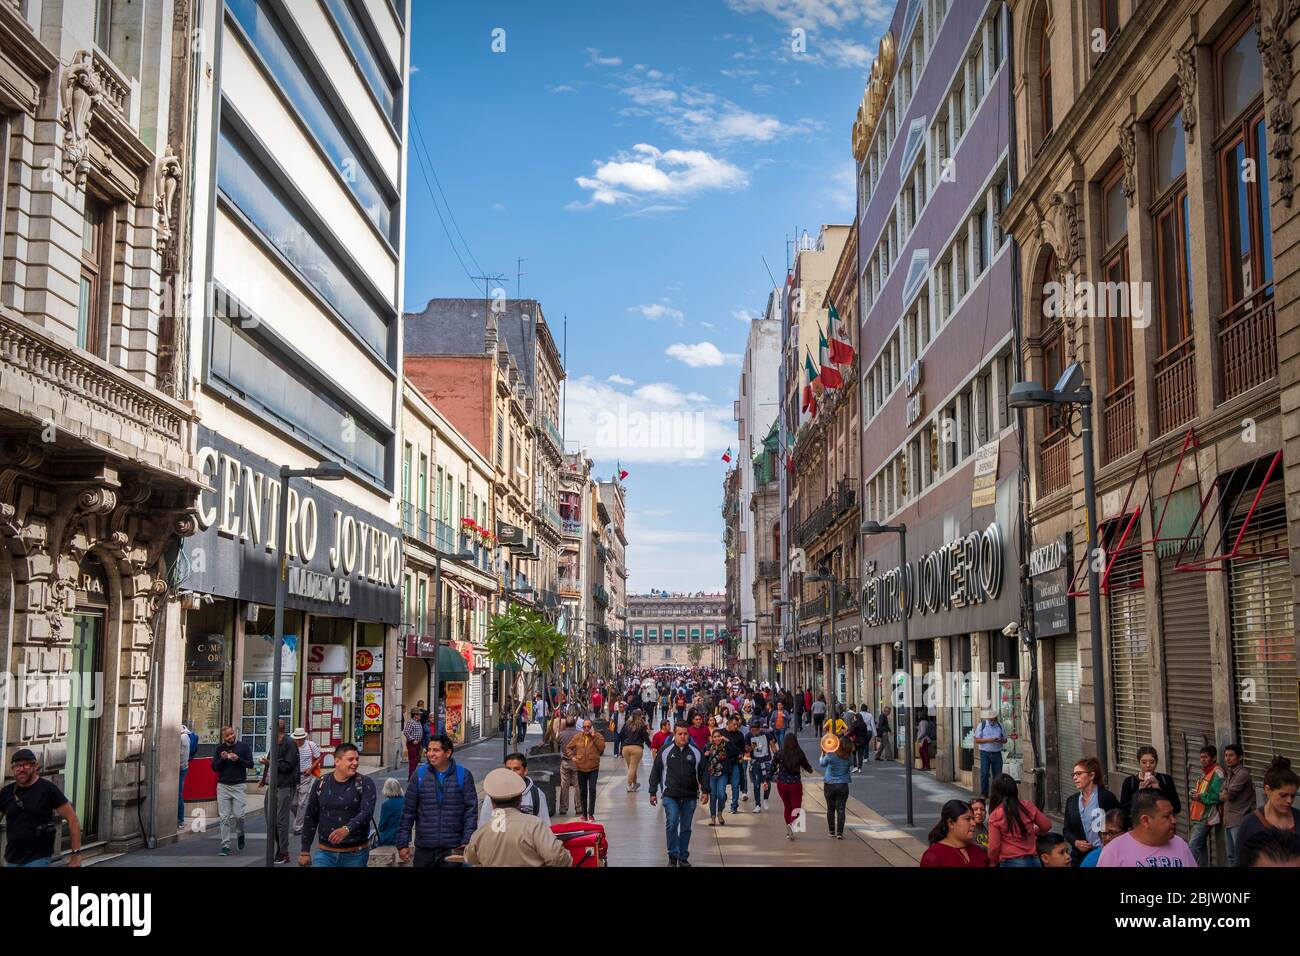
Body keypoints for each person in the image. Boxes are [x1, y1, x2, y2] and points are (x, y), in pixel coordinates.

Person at [397, 734, 478, 867]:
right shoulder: (419, 775)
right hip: (425, 848)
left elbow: (471, 811)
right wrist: (402, 843)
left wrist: (467, 839)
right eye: (429, 750)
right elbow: (408, 812)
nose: (430, 754)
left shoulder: (463, 775)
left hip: (452, 847)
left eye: (436, 750)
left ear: (448, 753)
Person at [465, 769, 572, 867]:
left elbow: (471, 858)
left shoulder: (481, 832)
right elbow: (558, 857)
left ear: (492, 803)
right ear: (520, 800)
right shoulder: (534, 825)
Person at [298, 742, 377, 867]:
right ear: (337, 761)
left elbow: (366, 813)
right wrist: (305, 851)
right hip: (325, 853)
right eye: (350, 759)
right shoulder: (320, 783)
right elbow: (311, 817)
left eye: (357, 759)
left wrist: (347, 829)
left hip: (355, 854)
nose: (355, 763)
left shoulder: (365, 783)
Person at [0, 748, 82, 867]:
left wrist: (76, 854)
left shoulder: (48, 789)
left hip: (38, 858)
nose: (21, 769)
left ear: (35, 766)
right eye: (17, 766)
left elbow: (72, 819)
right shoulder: (6, 792)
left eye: (26, 764)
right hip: (12, 858)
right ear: (12, 769)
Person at [649, 721, 709, 867]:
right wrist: (652, 791)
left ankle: (683, 856)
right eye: (679, 734)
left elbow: (703, 772)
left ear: (689, 735)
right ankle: (673, 855)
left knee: (686, 827)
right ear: (674, 735)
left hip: (690, 796)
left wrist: (706, 791)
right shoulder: (665, 751)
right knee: (672, 823)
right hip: (670, 795)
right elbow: (656, 771)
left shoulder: (695, 752)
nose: (683, 737)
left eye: (685, 734)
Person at [1098, 790, 1197, 867]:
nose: (1174, 821)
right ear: (1146, 821)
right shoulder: (1113, 852)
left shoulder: (1180, 845)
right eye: (1167, 816)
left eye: (1173, 815)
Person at [986, 773, 1051, 866]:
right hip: (1034, 860)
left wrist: (993, 861)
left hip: (1011, 861)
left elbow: (993, 847)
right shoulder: (1027, 806)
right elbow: (1047, 825)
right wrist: (1034, 831)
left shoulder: (996, 815)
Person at [1063, 756, 1119, 865]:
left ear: (1091, 775)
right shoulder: (1072, 801)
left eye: (1079, 774)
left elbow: (1120, 823)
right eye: (1073, 775)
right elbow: (1066, 830)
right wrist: (1076, 842)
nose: (1075, 778)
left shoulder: (1105, 797)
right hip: (1080, 857)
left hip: (1105, 854)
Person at [1234, 755, 1299, 847]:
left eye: (1292, 796)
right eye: (1283, 795)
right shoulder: (1249, 824)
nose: (1289, 800)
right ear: (1268, 790)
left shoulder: (1298, 818)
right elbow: (1241, 860)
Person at [257, 719, 297, 864]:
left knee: (281, 820)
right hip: (272, 785)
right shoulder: (274, 743)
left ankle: (283, 851)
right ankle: (280, 848)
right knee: (270, 818)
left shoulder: (289, 743)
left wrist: (270, 763)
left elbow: (288, 765)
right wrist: (263, 779)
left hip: (285, 785)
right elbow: (269, 760)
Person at [210, 725, 253, 856]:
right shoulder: (220, 749)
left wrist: (238, 759)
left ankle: (240, 834)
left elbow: (250, 764)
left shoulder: (244, 747)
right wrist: (222, 759)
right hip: (223, 785)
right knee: (224, 817)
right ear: (224, 738)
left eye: (232, 733)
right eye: (228, 735)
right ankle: (225, 845)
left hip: (239, 785)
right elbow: (214, 767)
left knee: (240, 815)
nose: (231, 736)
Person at [478, 752, 551, 827]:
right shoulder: (493, 794)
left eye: (517, 769)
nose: (512, 773)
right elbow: (483, 824)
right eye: (508, 769)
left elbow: (545, 825)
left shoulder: (537, 795)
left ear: (525, 771)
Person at [1118, 745, 1181, 830]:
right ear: (1139, 762)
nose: (1148, 766)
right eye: (1144, 762)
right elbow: (1124, 811)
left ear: (1156, 762)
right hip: (1139, 829)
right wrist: (1139, 794)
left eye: (1151, 762)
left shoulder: (1166, 780)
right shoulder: (1130, 782)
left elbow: (1177, 807)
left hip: (1162, 828)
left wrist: (1159, 790)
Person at [920, 799, 988, 867]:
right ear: (951, 823)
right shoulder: (934, 855)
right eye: (967, 819)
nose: (973, 823)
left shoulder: (978, 851)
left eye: (973, 819)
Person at [1188, 745, 1225, 867]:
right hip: (1199, 816)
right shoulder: (1206, 772)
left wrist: (1200, 797)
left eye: (1206, 757)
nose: (1203, 760)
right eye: (1201, 757)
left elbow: (1218, 796)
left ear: (1214, 758)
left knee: (1193, 848)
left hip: (1206, 817)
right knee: (1201, 848)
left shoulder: (1217, 772)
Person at [564, 718, 605, 822]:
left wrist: (594, 736)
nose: (587, 728)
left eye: (589, 726)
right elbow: (568, 748)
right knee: (582, 791)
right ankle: (584, 814)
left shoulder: (598, 736)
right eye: (585, 727)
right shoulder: (577, 737)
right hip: (581, 767)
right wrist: (572, 757)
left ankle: (591, 814)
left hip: (593, 768)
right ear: (582, 727)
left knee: (592, 789)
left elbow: (601, 748)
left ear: (592, 727)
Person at [1221, 743, 1255, 867]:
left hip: (1239, 820)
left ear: (1240, 757)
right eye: (1226, 755)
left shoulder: (1242, 774)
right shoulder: (1230, 773)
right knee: (1231, 856)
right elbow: (1221, 792)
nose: (1227, 758)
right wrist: (1224, 792)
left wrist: (1225, 792)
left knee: (1241, 856)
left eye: (1231, 755)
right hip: (1229, 820)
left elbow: (1227, 795)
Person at [775, 732, 814, 840]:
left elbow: (772, 767)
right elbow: (807, 766)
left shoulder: (779, 753)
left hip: (781, 784)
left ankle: (789, 830)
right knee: (796, 809)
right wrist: (809, 770)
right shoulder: (798, 753)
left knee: (787, 807)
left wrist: (768, 779)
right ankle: (791, 825)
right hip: (795, 784)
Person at [290, 728, 323, 837]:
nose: (298, 741)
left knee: (302, 802)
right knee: (293, 803)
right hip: (293, 777)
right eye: (297, 739)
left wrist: (310, 769)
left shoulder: (311, 745)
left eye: (300, 739)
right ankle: (300, 819)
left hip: (306, 777)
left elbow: (318, 757)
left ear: (304, 737)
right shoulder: (291, 746)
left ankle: (297, 827)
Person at [819, 735, 853, 840]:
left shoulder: (831, 755)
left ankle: (832, 831)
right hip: (843, 785)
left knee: (830, 808)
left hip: (829, 784)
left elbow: (822, 764)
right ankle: (840, 833)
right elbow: (852, 763)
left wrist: (823, 753)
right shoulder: (848, 757)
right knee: (841, 809)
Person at [973, 710, 1006, 798]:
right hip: (985, 753)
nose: (992, 721)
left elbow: (1005, 740)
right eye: (990, 719)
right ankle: (984, 793)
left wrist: (1000, 740)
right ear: (988, 718)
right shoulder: (982, 725)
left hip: (997, 753)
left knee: (998, 775)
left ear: (996, 718)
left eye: (993, 719)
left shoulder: (1000, 726)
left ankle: (997, 794)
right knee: (984, 774)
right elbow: (976, 740)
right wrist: (989, 740)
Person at [372, 778, 405, 867]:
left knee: (372, 838)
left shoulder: (387, 804)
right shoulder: (405, 801)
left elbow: (382, 826)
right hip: (404, 837)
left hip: (391, 837)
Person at [719, 714, 747, 813]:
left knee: (735, 785)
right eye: (734, 724)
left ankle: (734, 805)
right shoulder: (720, 733)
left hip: (735, 762)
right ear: (728, 723)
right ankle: (724, 797)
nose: (736, 727)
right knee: (721, 786)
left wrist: (741, 755)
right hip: (722, 763)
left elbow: (742, 749)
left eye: (737, 725)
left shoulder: (739, 735)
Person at [747, 718, 775, 812]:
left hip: (766, 762)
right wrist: (751, 747)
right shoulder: (748, 736)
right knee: (756, 784)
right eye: (752, 730)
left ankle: (766, 798)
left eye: (756, 730)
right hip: (755, 762)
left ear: (760, 729)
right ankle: (757, 804)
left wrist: (777, 757)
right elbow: (746, 750)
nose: (754, 732)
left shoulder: (767, 734)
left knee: (767, 782)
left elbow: (772, 745)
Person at [703, 728, 730, 827]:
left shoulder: (726, 746)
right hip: (711, 775)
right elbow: (703, 760)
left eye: (719, 736)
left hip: (722, 774)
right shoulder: (708, 746)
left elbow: (735, 751)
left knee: (721, 795)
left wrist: (728, 741)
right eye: (715, 737)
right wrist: (705, 755)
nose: (717, 738)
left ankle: (720, 813)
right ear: (712, 738)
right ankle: (713, 817)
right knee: (713, 796)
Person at [621, 711, 652, 792]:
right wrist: (651, 746)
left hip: (626, 748)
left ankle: (635, 784)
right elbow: (646, 738)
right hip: (636, 748)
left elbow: (621, 734)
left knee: (631, 767)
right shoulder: (641, 726)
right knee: (633, 767)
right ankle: (628, 785)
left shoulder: (627, 725)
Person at [555, 716, 580, 815]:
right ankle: (579, 807)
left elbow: (556, 742)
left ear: (565, 724)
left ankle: (563, 808)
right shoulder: (579, 734)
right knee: (578, 785)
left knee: (564, 785)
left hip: (565, 762)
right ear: (574, 724)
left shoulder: (561, 734)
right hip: (576, 762)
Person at [178, 721, 196, 828]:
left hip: (181, 769)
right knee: (178, 794)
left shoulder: (183, 737)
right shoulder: (183, 734)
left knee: (178, 794)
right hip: (181, 767)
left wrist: (178, 767)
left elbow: (184, 755)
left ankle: (180, 820)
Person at [402, 708, 423, 777]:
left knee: (416, 759)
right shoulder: (411, 722)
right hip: (412, 744)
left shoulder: (418, 722)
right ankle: (411, 776)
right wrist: (412, 740)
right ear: (415, 715)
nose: (420, 716)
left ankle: (414, 775)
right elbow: (406, 732)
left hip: (418, 743)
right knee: (413, 760)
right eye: (419, 714)